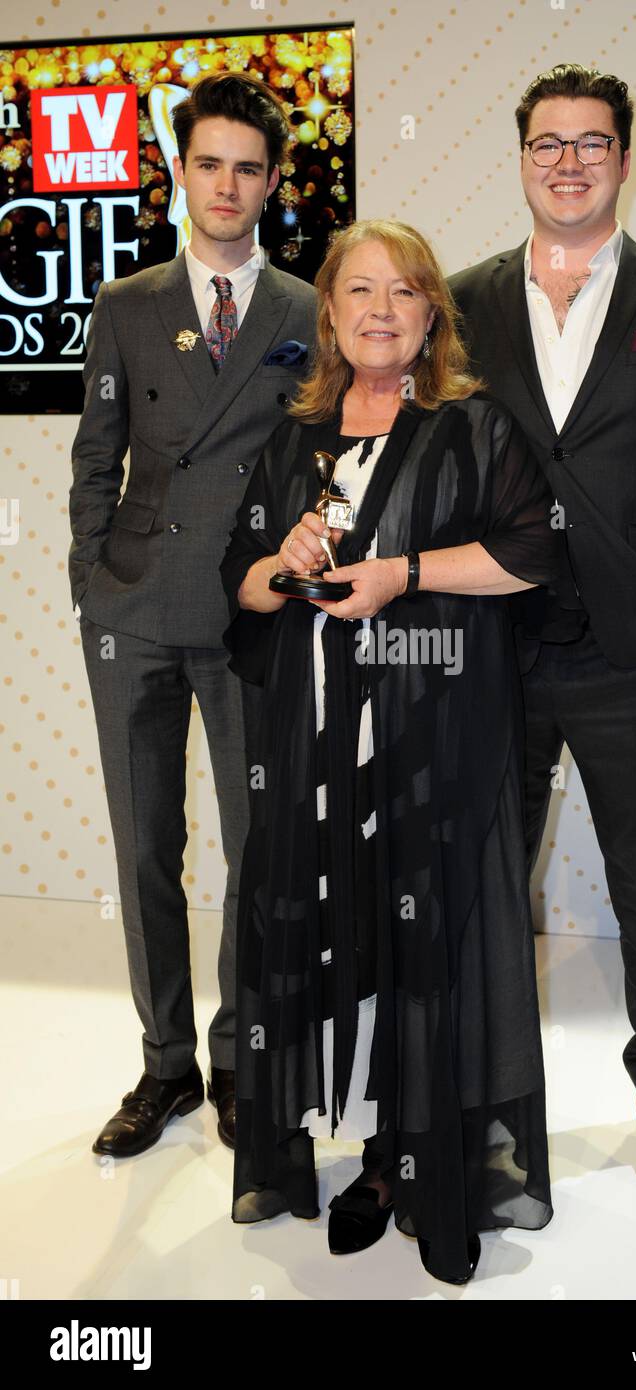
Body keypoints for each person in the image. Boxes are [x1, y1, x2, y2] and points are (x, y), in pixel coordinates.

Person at [219, 219, 560, 1284]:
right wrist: (281, 563)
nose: (380, 310)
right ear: (327, 314)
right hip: (314, 736)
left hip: (432, 737)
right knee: (345, 932)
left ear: (430, 315)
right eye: (358, 291)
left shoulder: (472, 425)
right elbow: (241, 584)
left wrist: (400, 574)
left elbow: (529, 554)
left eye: (403, 292)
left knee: (426, 938)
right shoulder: (293, 438)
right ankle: (365, 1135)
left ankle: (410, 1153)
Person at [448, 63, 636, 1196]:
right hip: (497, 637)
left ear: (624, 158)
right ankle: (482, 1093)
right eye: (548, 142)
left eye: (590, 142)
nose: (568, 161)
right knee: (483, 876)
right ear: (521, 158)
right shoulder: (462, 300)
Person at [68, 73, 317, 1159]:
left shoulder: (307, 309)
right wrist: (91, 579)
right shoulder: (126, 305)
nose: (226, 185)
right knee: (144, 849)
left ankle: (240, 1057)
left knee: (257, 851)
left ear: (273, 181)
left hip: (251, 613)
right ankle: (164, 1064)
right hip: (133, 608)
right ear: (179, 172)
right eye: (207, 163)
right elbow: (95, 457)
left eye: (247, 168)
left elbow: (325, 459)